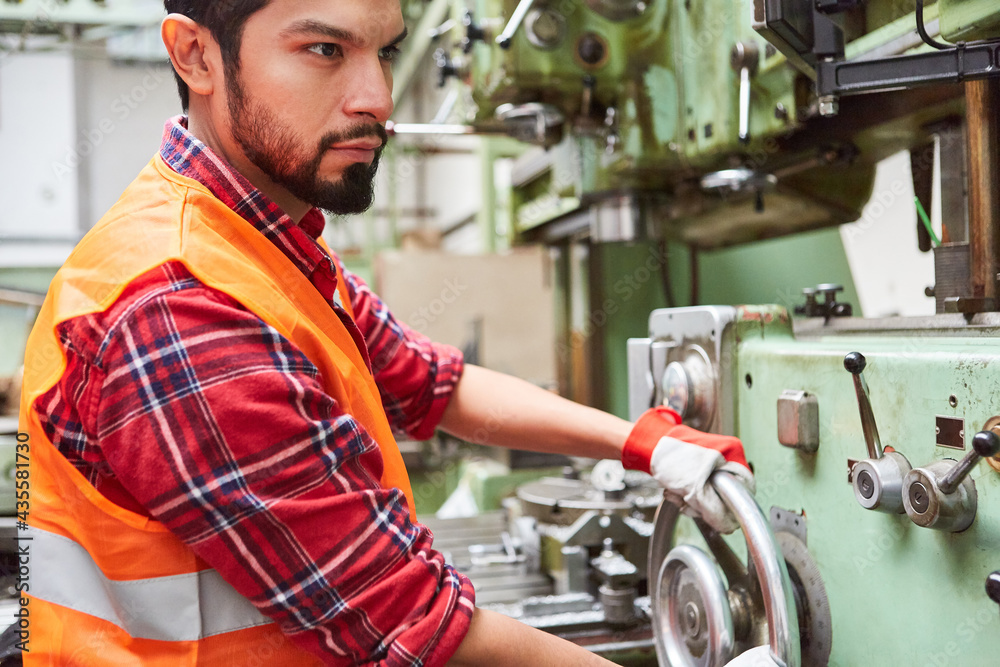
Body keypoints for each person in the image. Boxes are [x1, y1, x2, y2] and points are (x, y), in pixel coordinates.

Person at [18, 0, 753, 664]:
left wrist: (642, 442)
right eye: (325, 51)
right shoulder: (177, 305)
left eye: (387, 52)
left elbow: (437, 384)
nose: (377, 100)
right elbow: (416, 626)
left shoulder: (262, 241)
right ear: (195, 56)